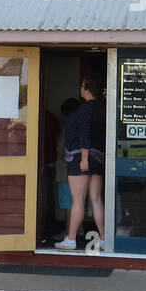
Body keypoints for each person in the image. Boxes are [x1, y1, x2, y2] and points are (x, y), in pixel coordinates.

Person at [55, 78, 105, 250]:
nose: (80, 88)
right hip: (99, 158)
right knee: (96, 199)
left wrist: (84, 159)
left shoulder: (84, 109)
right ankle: (104, 238)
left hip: (80, 158)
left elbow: (84, 133)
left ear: (87, 88)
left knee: (77, 200)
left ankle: (70, 239)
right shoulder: (102, 108)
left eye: (82, 86)